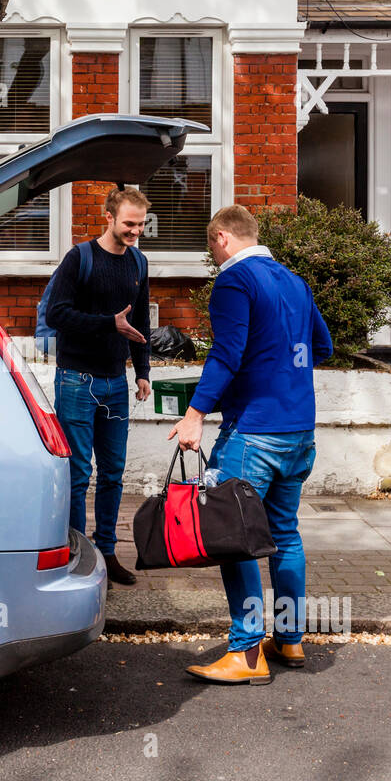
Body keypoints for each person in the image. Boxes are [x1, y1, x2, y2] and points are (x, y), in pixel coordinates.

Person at [168, 204, 332, 684]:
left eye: (209, 246)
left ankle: (245, 653)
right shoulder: (294, 281)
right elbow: (319, 346)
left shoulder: (234, 281)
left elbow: (226, 352)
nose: (211, 255)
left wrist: (196, 413)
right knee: (284, 534)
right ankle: (289, 637)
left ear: (221, 237)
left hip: (253, 434)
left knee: (234, 537)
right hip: (299, 430)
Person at [46, 188, 153, 586]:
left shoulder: (139, 263)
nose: (135, 231)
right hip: (76, 379)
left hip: (115, 383)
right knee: (77, 473)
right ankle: (76, 553)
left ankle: (106, 552)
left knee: (113, 473)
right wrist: (108, 323)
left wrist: (142, 371)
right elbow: (57, 314)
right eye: (129, 223)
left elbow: (138, 319)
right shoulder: (80, 258)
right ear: (107, 217)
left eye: (141, 224)